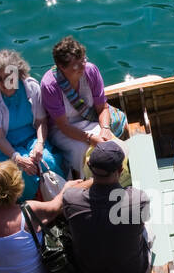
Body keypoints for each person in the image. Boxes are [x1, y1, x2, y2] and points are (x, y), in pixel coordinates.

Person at [62, 141, 152, 273]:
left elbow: (70, 193)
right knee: (147, 224)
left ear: (90, 168)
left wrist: (89, 181)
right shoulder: (139, 199)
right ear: (121, 171)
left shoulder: (70, 198)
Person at [0, 49, 62, 202]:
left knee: (47, 161)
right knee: (22, 171)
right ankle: (30, 207)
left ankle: (56, 200)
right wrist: (17, 158)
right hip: (4, 146)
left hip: (31, 138)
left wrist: (39, 144)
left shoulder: (31, 86)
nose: (3, 83)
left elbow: (41, 122)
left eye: (8, 76)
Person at [39, 36, 127, 175]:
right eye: (76, 65)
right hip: (63, 129)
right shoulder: (50, 86)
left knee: (110, 144)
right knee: (80, 150)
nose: (83, 67)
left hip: (90, 120)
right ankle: (80, 178)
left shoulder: (91, 71)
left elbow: (102, 107)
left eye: (83, 60)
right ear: (62, 67)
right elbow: (63, 126)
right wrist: (91, 139)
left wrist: (105, 128)